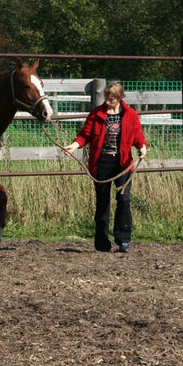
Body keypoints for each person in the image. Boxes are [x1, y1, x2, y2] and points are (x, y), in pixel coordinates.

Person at [62, 82, 148, 253]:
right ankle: (102, 243)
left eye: (112, 99)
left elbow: (137, 135)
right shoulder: (96, 114)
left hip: (123, 164)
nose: (108, 102)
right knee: (102, 203)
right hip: (101, 163)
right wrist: (74, 146)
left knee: (124, 199)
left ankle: (123, 240)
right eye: (107, 98)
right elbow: (85, 135)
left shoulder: (130, 115)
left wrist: (143, 147)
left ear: (120, 98)